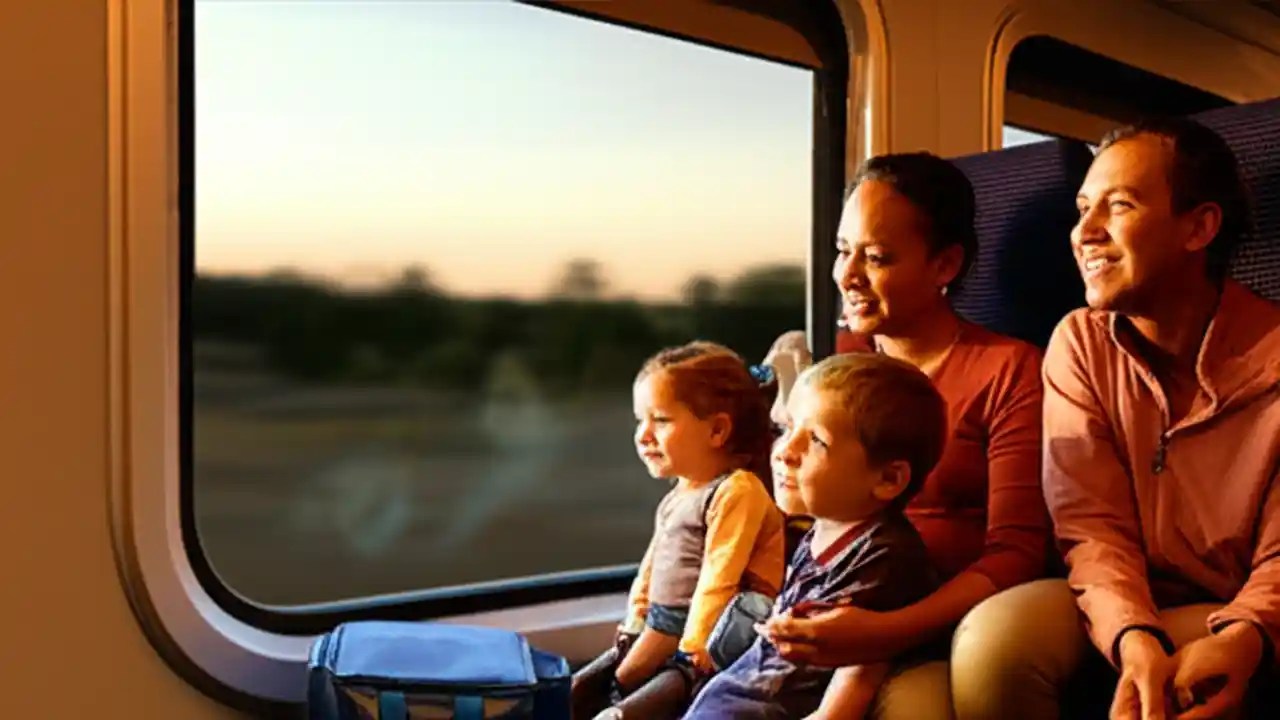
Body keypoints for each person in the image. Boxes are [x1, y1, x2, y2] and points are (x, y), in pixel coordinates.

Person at [958, 117, 1280, 719]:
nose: (1084, 232)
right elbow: (1090, 526)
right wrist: (1133, 634)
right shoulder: (1081, 344)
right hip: (1119, 594)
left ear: (1199, 227)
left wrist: (1247, 634)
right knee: (996, 641)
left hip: (1242, 603)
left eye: (1120, 206)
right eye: (1083, 209)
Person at [759, 152, 1051, 718]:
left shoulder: (1008, 371)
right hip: (824, 600)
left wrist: (884, 631)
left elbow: (1016, 554)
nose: (847, 275)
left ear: (944, 265)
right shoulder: (833, 365)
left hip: (935, 621)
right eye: (844, 252)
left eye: (877, 257)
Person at [685, 352, 946, 719]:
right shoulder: (818, 530)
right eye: (787, 429)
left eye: (817, 441)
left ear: (887, 480)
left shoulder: (884, 559)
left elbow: (859, 670)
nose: (785, 452)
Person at [571, 341, 788, 720]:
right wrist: (634, 620)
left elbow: (720, 575)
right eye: (641, 420)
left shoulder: (738, 490)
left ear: (718, 429)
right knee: (578, 690)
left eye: (661, 420)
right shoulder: (681, 492)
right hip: (663, 621)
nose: (643, 435)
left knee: (622, 692)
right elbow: (652, 567)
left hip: (707, 632)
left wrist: (695, 651)